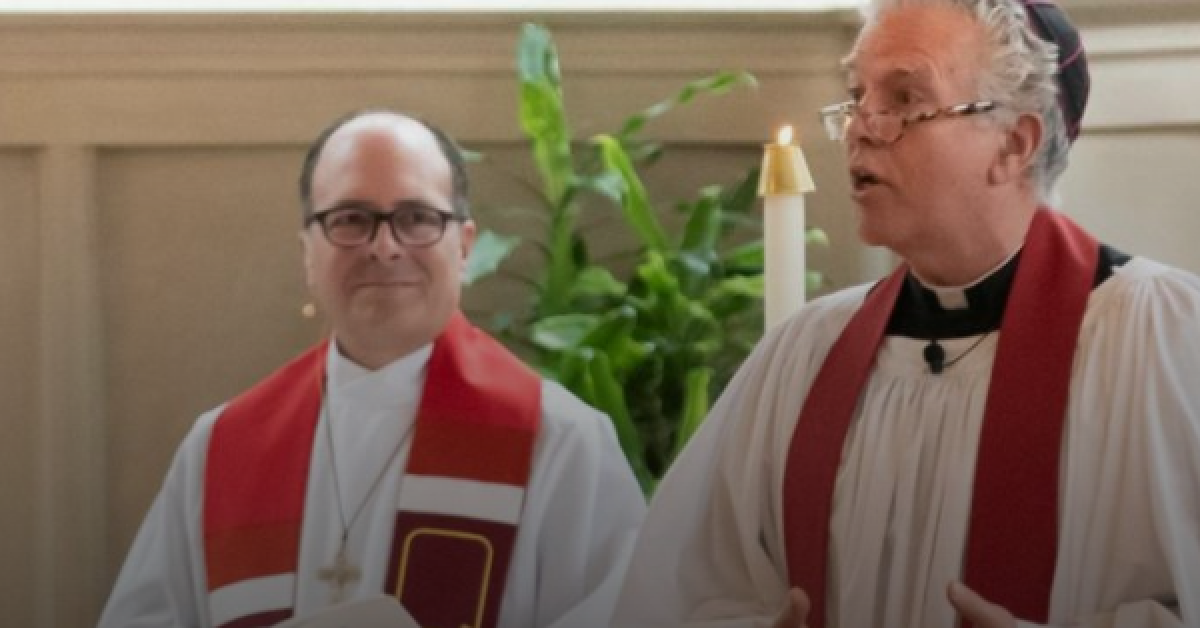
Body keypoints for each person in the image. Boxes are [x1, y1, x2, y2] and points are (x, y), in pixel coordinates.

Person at [613, 0, 1200, 627]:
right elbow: (680, 592)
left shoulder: (1157, 337)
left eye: (905, 98)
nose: (862, 127)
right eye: (858, 96)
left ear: (1014, 143)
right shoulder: (808, 353)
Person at [98, 110, 646, 628]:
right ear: (308, 253)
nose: (385, 247)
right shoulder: (220, 449)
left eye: (416, 218)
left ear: (465, 248)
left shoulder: (562, 443)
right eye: (352, 219)